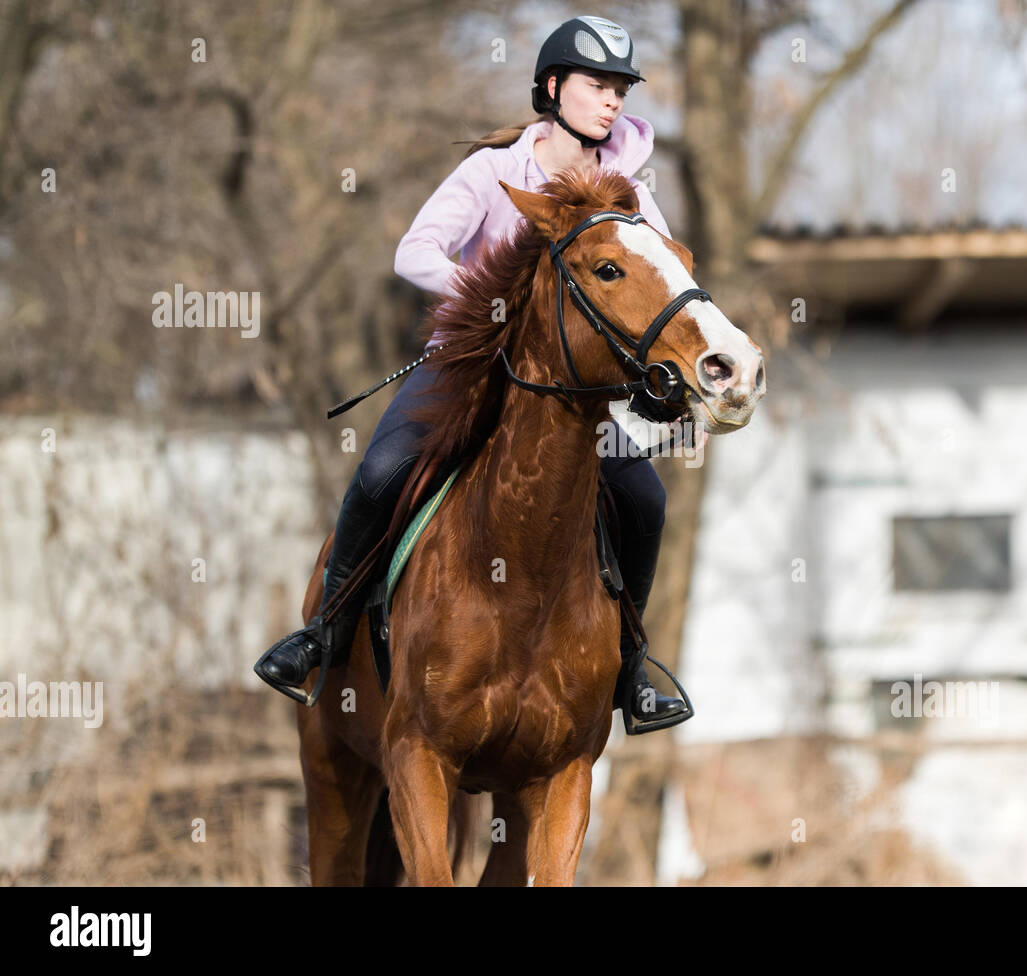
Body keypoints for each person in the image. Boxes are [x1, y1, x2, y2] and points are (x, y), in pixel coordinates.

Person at [255, 15, 697, 729]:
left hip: (564, 390)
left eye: (621, 88)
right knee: (381, 470)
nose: (613, 100)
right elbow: (415, 252)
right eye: (597, 85)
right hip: (469, 365)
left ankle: (631, 666)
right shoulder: (493, 171)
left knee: (645, 497)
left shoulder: (629, 191)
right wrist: (492, 296)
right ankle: (324, 634)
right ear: (553, 88)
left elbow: (660, 275)